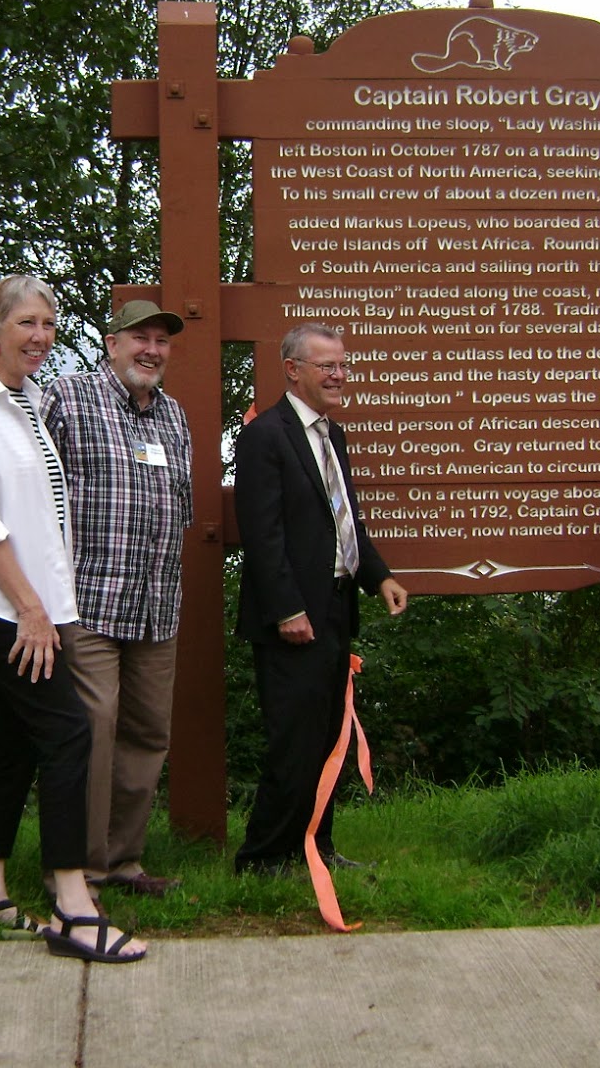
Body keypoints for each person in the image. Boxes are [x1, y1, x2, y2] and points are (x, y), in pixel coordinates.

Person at [0, 274, 146, 963]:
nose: (41, 337)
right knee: (67, 731)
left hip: (31, 603)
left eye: (49, 324)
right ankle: (73, 906)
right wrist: (29, 609)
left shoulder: (25, 402)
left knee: (14, 740)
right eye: (26, 323)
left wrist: (46, 605)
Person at [232, 323, 409, 875]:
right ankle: (263, 857)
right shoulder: (265, 436)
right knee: (294, 741)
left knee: (330, 737)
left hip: (336, 607)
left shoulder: (333, 436)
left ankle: (316, 847)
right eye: (327, 365)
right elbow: (262, 535)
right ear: (293, 370)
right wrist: (287, 609)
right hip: (292, 617)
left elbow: (345, 520)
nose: (339, 375)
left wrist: (378, 576)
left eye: (343, 364)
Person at [40, 299, 192, 898]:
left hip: (156, 604)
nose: (151, 350)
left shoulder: (175, 416)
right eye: (139, 338)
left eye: (161, 341)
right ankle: (76, 870)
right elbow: (28, 493)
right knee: (92, 732)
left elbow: (181, 505)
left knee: (148, 735)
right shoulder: (67, 397)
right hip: (87, 603)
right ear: (111, 343)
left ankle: (124, 863)